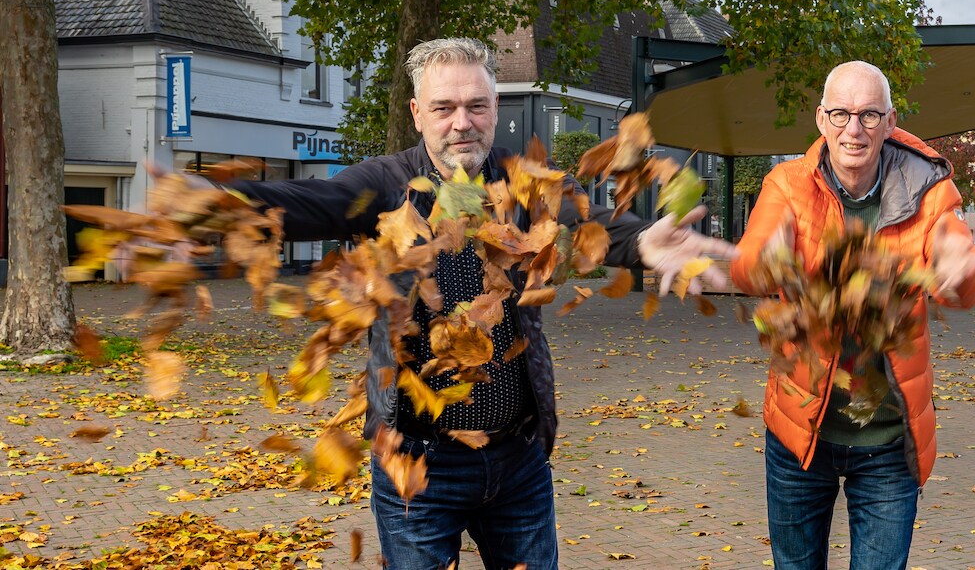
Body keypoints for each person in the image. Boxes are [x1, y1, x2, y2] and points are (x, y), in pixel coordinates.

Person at [225, 37, 737, 570]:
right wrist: (218, 205)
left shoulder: (526, 184)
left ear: (495, 109)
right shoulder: (386, 184)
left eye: (477, 105)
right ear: (417, 114)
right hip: (417, 463)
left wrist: (642, 241)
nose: (462, 123)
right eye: (444, 108)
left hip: (517, 459)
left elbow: (593, 223)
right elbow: (316, 203)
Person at [730, 61, 975, 569]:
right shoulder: (787, 185)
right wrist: (766, 259)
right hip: (801, 433)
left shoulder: (928, 190)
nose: (855, 129)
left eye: (869, 115)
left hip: (890, 439)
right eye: (842, 114)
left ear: (891, 122)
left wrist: (964, 268)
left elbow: (966, 273)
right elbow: (749, 266)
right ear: (821, 119)